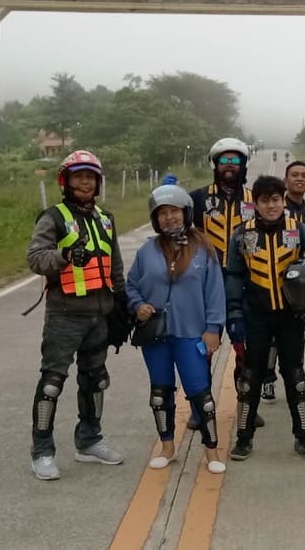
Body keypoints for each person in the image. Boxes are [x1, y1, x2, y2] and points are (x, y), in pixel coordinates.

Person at [25, 150, 128, 481]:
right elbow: (36, 258)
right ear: (65, 182)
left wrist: (122, 304)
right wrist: (64, 255)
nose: (84, 182)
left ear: (97, 183)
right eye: (77, 177)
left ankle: (89, 440)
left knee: (95, 380)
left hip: (100, 313)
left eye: (90, 177)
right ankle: (42, 451)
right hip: (65, 314)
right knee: (52, 383)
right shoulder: (53, 217)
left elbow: (115, 265)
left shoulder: (105, 217)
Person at [225, 175, 305, 461]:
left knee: (296, 377)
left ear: (282, 200)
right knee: (250, 379)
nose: (271, 206)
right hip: (256, 316)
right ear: (256, 204)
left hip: (291, 315)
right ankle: (243, 438)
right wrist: (234, 313)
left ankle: (303, 438)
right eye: (264, 200)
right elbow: (234, 276)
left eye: (275, 199)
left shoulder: (298, 229)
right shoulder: (243, 234)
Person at [127, 185, 227, 474]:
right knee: (160, 392)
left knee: (200, 393)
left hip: (191, 333)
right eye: (162, 213)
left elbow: (215, 292)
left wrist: (212, 329)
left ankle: (212, 451)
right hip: (156, 334)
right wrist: (138, 305)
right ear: (155, 219)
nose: (169, 218)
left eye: (174, 211)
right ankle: (167, 446)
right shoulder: (147, 251)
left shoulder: (203, 249)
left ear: (185, 212)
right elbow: (131, 284)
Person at [187, 137, 265, 430]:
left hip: (245, 283)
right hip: (205, 283)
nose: (229, 166)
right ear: (215, 164)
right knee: (201, 349)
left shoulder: (254, 198)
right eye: (224, 160)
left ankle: (247, 405)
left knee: (246, 348)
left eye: (235, 160)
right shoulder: (195, 198)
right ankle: (199, 409)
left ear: (243, 164)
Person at [262, 159, 305, 403]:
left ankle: (294, 374)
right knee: (270, 337)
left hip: (302, 285)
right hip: (272, 281)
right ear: (286, 180)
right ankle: (267, 379)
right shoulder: (275, 207)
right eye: (294, 175)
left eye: (304, 175)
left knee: (297, 333)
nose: (300, 179)